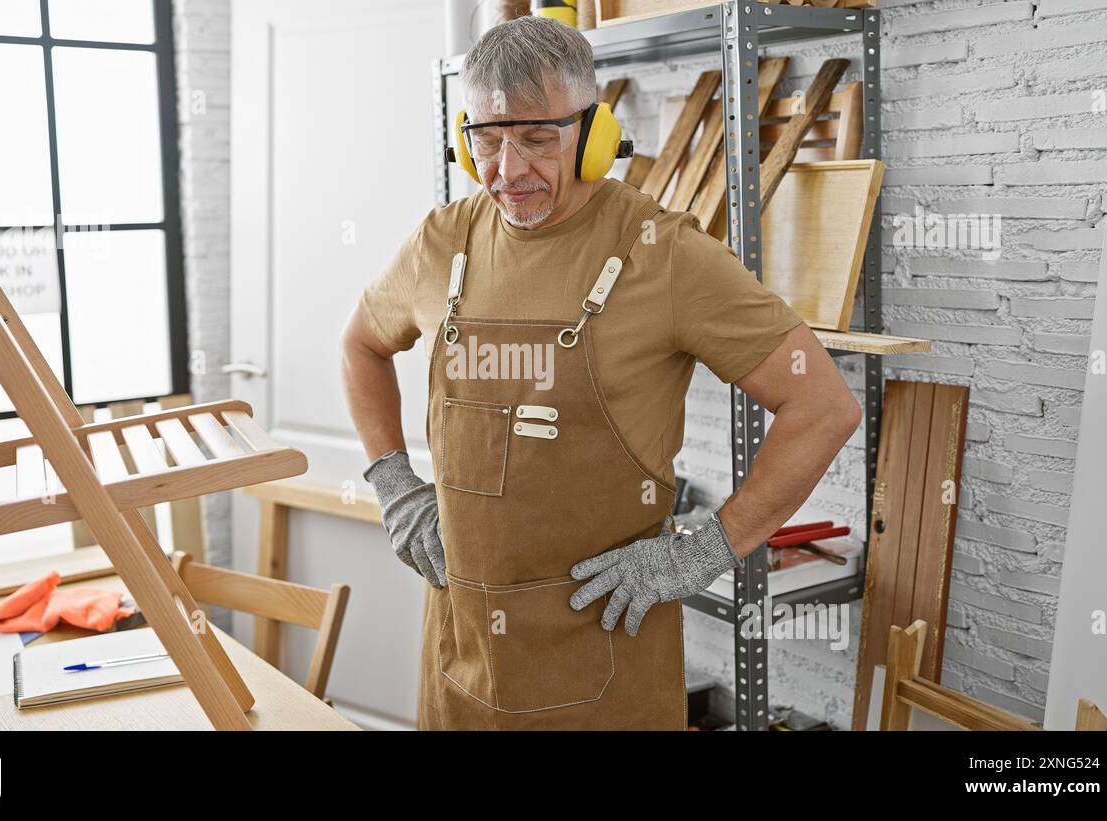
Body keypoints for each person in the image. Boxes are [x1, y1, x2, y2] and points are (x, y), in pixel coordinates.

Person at [339, 16, 861, 730]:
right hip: (462, 666)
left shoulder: (663, 253)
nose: (508, 171)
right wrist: (395, 485)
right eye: (486, 140)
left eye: (537, 138)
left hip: (606, 669)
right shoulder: (443, 243)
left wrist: (707, 550)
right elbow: (361, 346)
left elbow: (823, 406)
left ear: (593, 135)